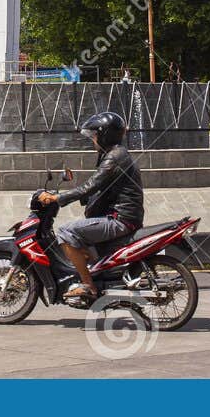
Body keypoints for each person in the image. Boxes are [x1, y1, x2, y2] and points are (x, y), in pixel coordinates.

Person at [37, 111, 144, 302]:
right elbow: (100, 188)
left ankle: (87, 285)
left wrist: (57, 199)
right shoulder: (118, 154)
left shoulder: (114, 157)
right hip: (123, 216)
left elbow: (90, 186)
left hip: (119, 220)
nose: (93, 140)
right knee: (80, 233)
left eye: (95, 136)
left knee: (65, 232)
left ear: (104, 136)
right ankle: (94, 273)